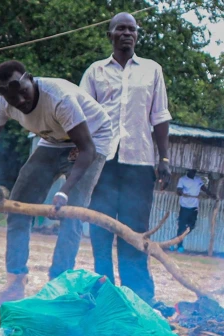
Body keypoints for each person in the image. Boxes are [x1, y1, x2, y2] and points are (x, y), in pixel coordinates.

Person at [0, 60, 113, 309]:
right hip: (52, 141)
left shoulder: (59, 98)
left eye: (23, 92)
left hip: (92, 139)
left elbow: (87, 149)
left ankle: (57, 288)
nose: (20, 101)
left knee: (71, 213)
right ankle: (14, 284)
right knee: (17, 209)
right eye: (12, 98)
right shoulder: (3, 104)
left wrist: (64, 190)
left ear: (31, 79)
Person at [80, 12, 172, 308]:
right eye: (121, 28)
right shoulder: (95, 71)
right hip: (102, 164)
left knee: (134, 234)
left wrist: (165, 158)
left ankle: (139, 299)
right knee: (101, 231)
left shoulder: (152, 70)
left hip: (139, 163)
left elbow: (159, 117)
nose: (127, 33)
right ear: (110, 34)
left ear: (137, 35)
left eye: (132, 29)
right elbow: (81, 116)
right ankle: (104, 298)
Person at [173, 169, 206, 252]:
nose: (193, 173)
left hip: (194, 206)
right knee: (181, 226)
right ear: (188, 171)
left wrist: (211, 194)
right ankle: (179, 245)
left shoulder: (198, 179)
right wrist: (181, 193)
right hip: (184, 206)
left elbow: (203, 188)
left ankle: (173, 240)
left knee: (192, 226)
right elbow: (179, 190)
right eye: (192, 171)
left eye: (194, 172)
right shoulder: (182, 179)